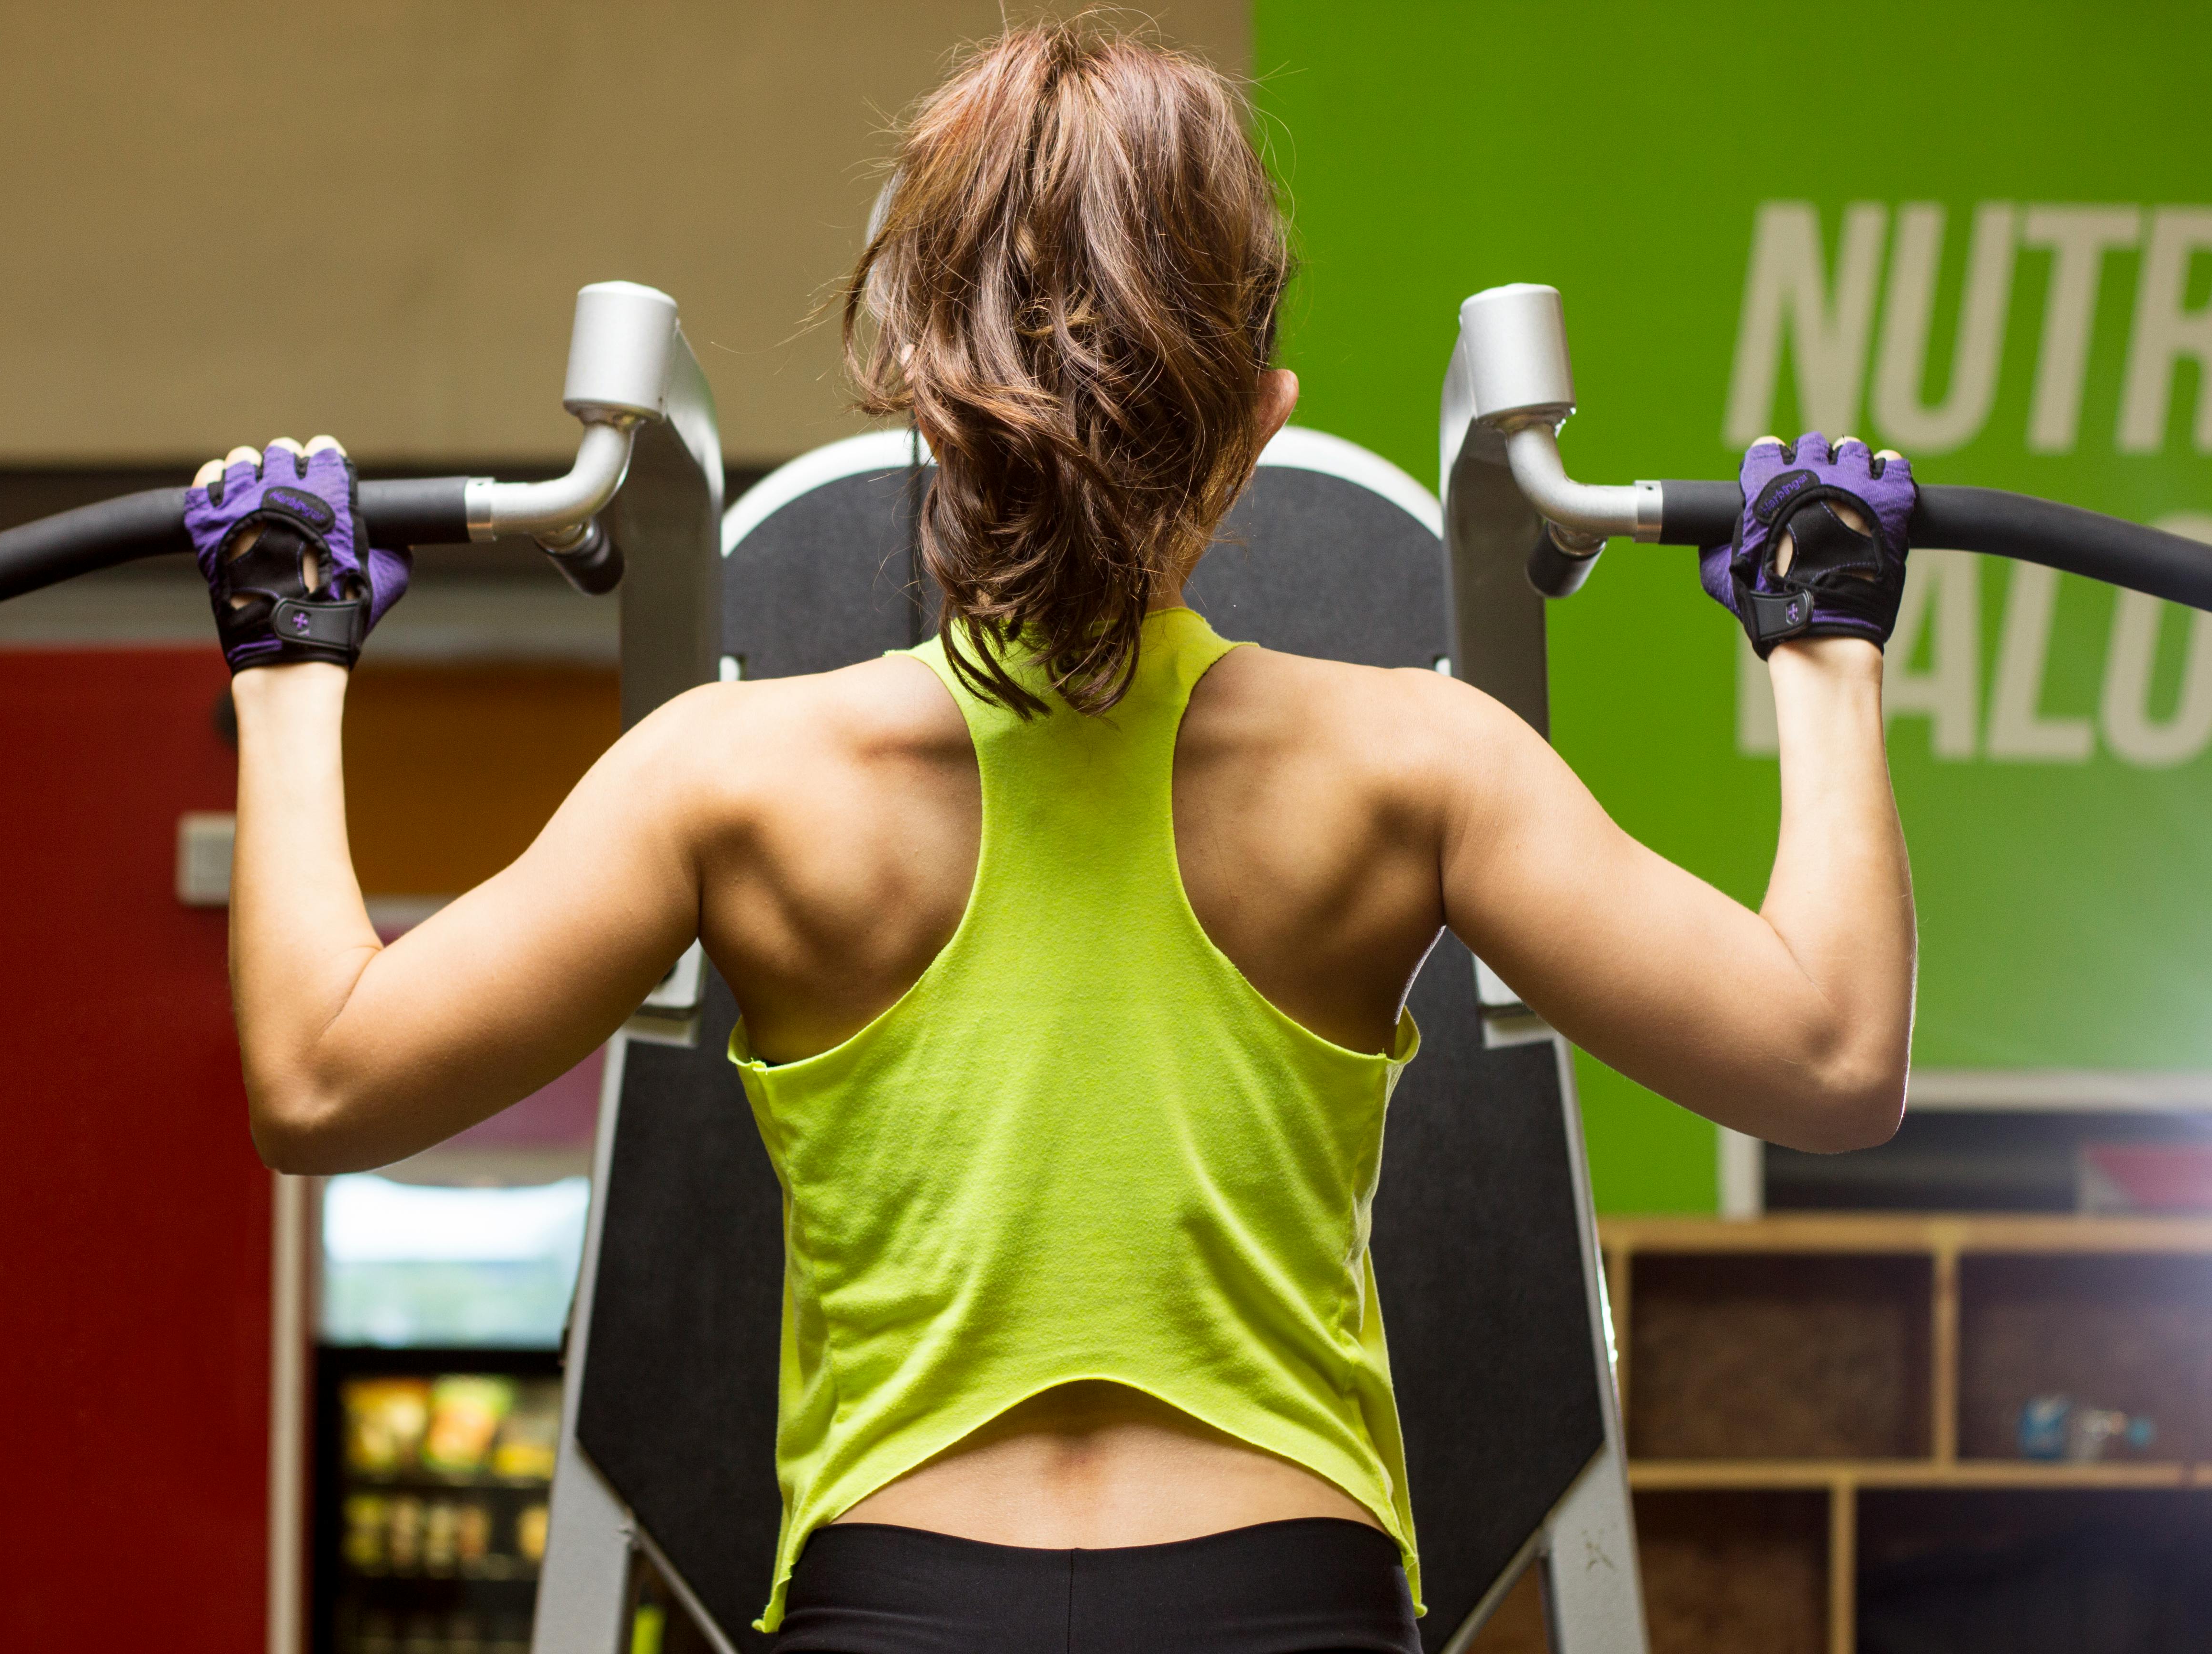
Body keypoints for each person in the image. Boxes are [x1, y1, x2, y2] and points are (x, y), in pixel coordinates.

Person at [191, 22, 1914, 1654]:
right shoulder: (1417, 764)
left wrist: (291, 655)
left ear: (932, 405)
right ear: (1257, 425)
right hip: (1285, 1600)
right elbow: (1831, 1058)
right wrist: (1823, 638)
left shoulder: (723, 779)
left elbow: (324, 1081)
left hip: (899, 1604)